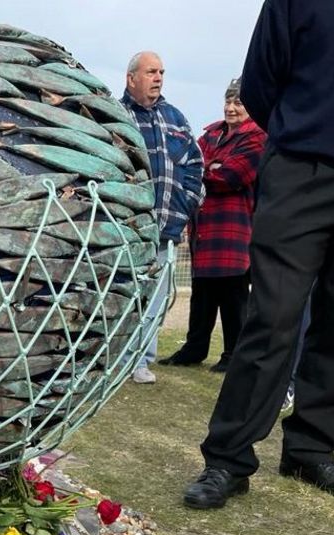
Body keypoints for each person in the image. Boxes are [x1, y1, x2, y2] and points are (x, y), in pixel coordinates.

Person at [184, 0, 334, 510]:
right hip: (302, 171)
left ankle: (312, 448)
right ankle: (228, 458)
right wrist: (308, 132)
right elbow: (261, 82)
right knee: (273, 316)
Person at [158, 79, 265, 373]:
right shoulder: (211, 134)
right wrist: (208, 168)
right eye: (228, 101)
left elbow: (231, 177)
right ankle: (195, 348)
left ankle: (233, 354)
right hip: (203, 226)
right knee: (202, 293)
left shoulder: (257, 137)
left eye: (238, 103)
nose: (231, 108)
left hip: (234, 228)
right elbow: (188, 164)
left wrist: (205, 170)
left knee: (233, 295)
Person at [120, 51, 205, 384]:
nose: (158, 78)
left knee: (154, 301)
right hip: (125, 230)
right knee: (122, 295)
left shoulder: (176, 119)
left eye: (161, 72)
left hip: (166, 228)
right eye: (151, 72)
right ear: (131, 78)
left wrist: (185, 205)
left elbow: (194, 166)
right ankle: (111, 362)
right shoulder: (115, 115)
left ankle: (141, 360)